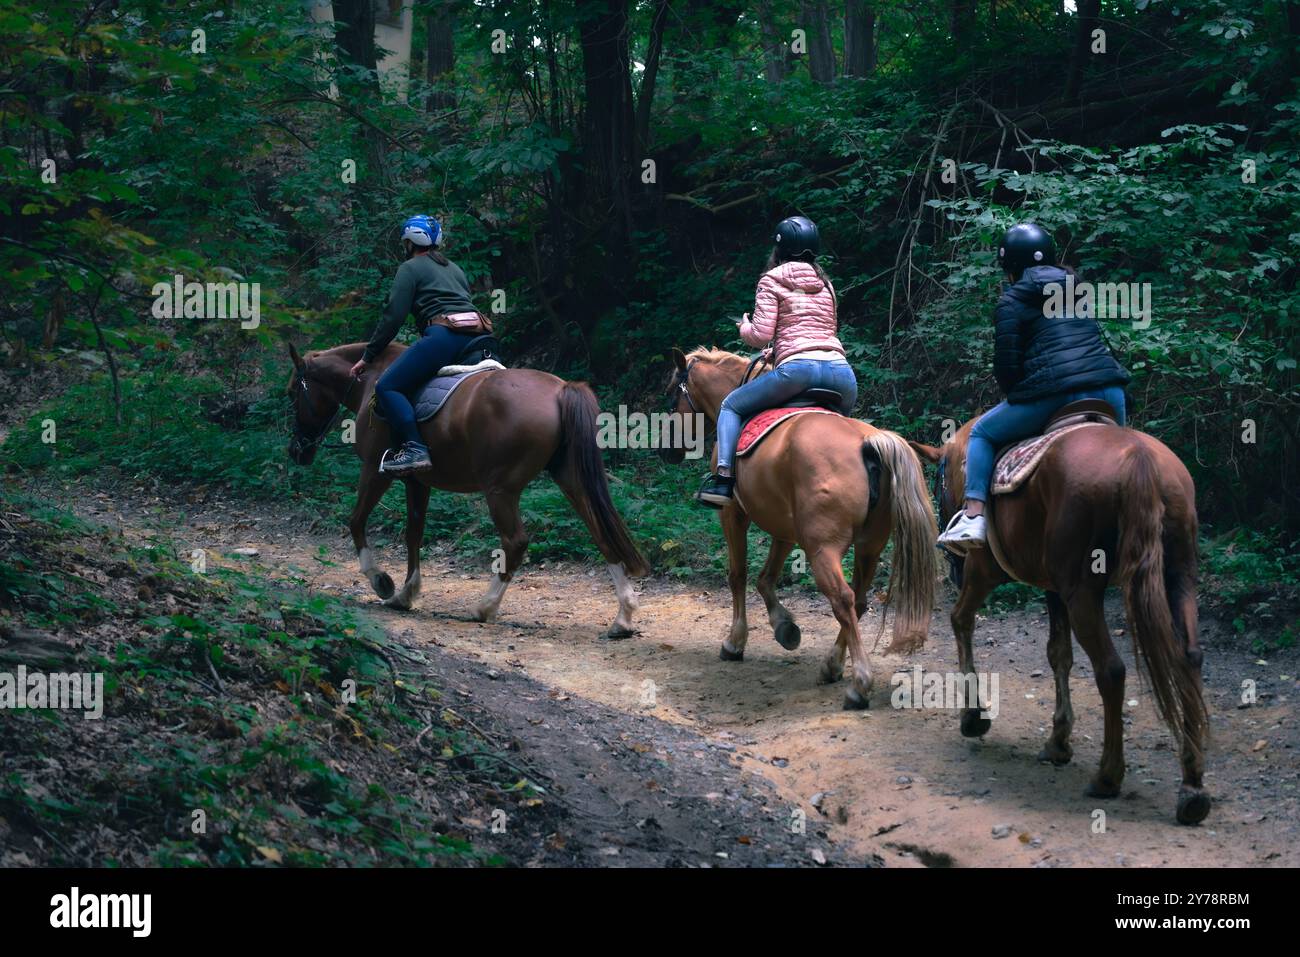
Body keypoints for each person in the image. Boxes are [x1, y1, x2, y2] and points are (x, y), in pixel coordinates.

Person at [936, 222, 1131, 551]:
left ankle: (973, 516)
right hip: (1109, 390)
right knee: (1125, 453)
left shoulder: (1012, 300)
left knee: (982, 433)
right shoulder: (1076, 287)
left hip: (1054, 394)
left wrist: (1018, 395)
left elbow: (1007, 366)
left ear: (1011, 268)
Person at [696, 215, 857, 507]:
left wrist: (744, 326)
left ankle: (723, 481)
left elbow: (760, 334)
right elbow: (822, 331)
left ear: (779, 249)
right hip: (841, 374)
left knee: (730, 405)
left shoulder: (771, 280)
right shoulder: (826, 283)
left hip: (798, 372)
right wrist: (779, 350)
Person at [349, 215, 488, 476]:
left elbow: (394, 316)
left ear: (410, 242)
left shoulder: (410, 268)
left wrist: (368, 356)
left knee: (387, 386)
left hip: (444, 338)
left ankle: (415, 448)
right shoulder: (455, 268)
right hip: (479, 339)